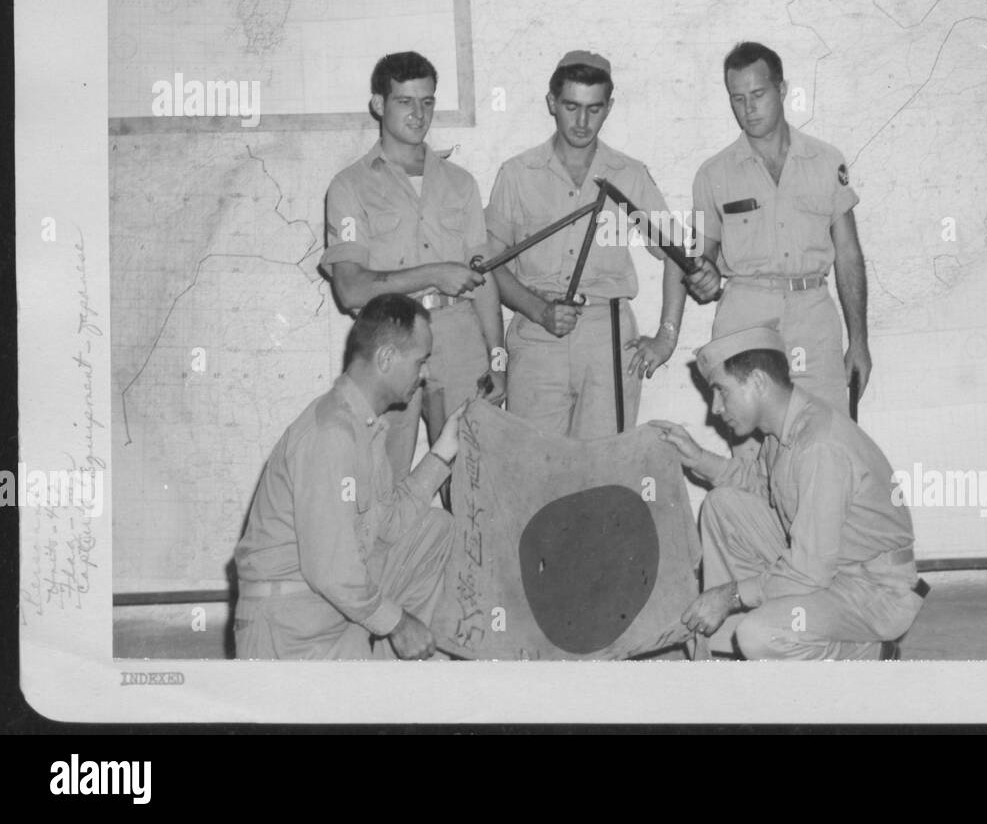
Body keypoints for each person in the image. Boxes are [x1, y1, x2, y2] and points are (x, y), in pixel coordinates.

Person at [652, 321, 928, 660]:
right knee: (723, 505)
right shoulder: (784, 428)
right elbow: (759, 484)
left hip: (873, 591)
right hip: (832, 567)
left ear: (757, 382)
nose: (716, 408)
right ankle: (725, 651)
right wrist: (698, 457)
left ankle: (868, 653)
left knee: (761, 635)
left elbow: (810, 570)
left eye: (721, 391)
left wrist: (730, 595)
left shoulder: (819, 446)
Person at [233, 294, 466, 659]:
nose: (426, 374)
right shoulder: (331, 433)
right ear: (386, 358)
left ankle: (397, 678)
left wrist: (443, 452)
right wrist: (399, 624)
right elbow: (330, 571)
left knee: (436, 528)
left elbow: (389, 526)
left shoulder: (364, 427)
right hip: (290, 630)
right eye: (421, 361)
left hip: (331, 614)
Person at [320, 51, 505, 484]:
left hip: (460, 335)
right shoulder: (349, 186)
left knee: (472, 480)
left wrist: (498, 360)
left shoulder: (460, 182)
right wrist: (434, 273)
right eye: (405, 101)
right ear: (379, 105)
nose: (419, 114)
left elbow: (484, 279)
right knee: (380, 478)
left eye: (427, 102)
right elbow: (350, 290)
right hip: (390, 339)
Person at [484, 49, 688, 437]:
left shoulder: (629, 173)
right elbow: (491, 264)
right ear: (551, 103)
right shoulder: (517, 174)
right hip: (536, 334)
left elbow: (676, 253)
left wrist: (667, 337)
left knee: (604, 471)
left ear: (609, 107)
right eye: (571, 106)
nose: (582, 121)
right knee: (537, 467)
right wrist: (538, 309)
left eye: (594, 109)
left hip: (607, 335)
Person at [685, 41, 872, 414]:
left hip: (813, 315)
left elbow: (848, 255)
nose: (748, 109)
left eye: (758, 94)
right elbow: (702, 259)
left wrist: (860, 341)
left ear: (782, 90)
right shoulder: (712, 175)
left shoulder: (825, 161)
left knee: (825, 438)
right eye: (737, 99)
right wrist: (702, 278)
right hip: (744, 316)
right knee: (751, 451)